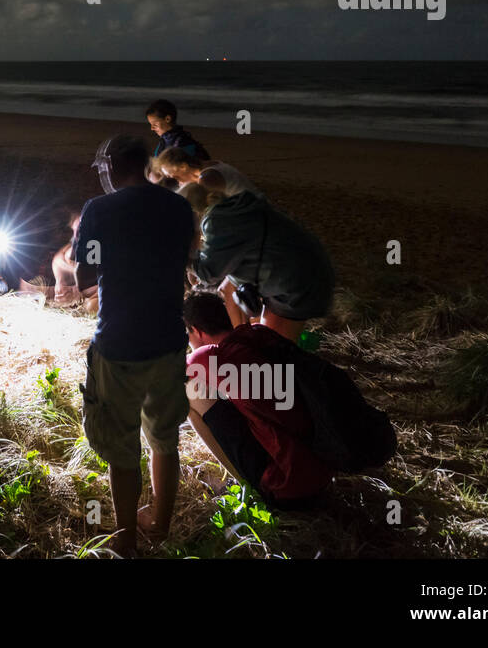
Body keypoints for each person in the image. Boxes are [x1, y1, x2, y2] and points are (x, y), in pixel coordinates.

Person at [74, 135, 193, 556]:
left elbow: (85, 279)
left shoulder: (98, 210)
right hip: (168, 337)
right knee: (164, 437)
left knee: (121, 443)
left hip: (119, 340)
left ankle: (126, 541)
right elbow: (187, 263)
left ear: (109, 168)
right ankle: (160, 524)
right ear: (145, 163)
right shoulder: (178, 206)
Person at [182, 292, 334, 507]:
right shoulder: (258, 335)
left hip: (286, 488)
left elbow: (168, 375)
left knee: (190, 391)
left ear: (196, 331)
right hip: (322, 472)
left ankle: (248, 488)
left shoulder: (206, 356)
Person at [191, 189, 334, 342]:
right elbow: (224, 276)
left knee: (271, 348)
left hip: (297, 283)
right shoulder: (232, 212)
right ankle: (244, 344)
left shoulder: (219, 222)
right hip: (299, 269)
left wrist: (187, 258)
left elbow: (208, 272)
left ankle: (260, 354)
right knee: (228, 289)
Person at [145, 99, 210, 189]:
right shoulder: (163, 142)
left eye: (154, 124)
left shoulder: (184, 142)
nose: (152, 128)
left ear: (167, 119)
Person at [153, 147, 260, 197]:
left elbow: (207, 213)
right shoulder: (210, 165)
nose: (176, 181)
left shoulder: (207, 178)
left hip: (257, 217)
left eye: (174, 176)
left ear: (183, 166)